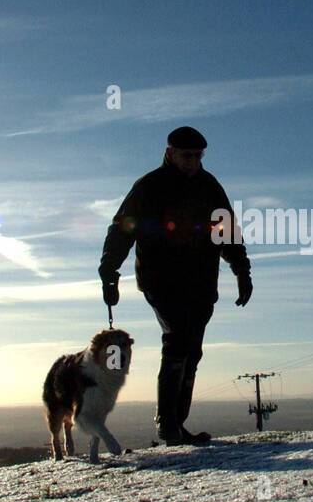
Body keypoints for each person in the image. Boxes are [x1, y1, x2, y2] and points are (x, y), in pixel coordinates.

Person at [98, 126, 252, 446]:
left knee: (191, 351)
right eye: (186, 156)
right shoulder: (149, 186)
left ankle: (176, 424)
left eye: (198, 156)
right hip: (161, 281)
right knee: (178, 340)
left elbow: (228, 233)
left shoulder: (209, 187)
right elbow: (122, 229)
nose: (192, 162)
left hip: (201, 282)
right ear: (169, 153)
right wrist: (110, 271)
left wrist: (242, 272)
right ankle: (167, 425)